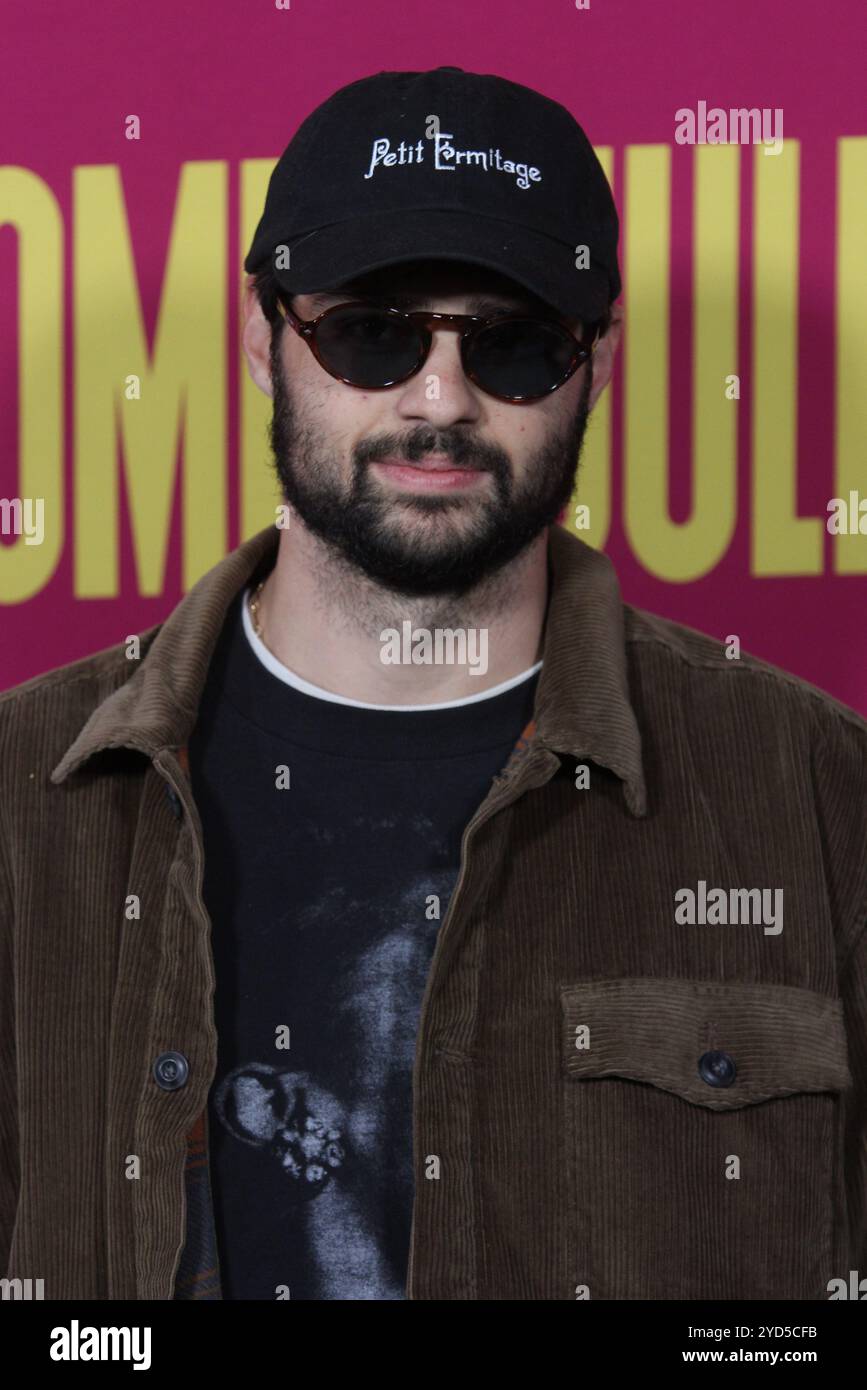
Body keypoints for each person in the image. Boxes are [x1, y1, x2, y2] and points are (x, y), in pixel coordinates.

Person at [1, 66, 864, 1303]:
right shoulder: (24, 805)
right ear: (262, 338)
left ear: (598, 364)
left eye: (513, 346)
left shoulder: (819, 795)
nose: (440, 399)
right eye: (372, 332)